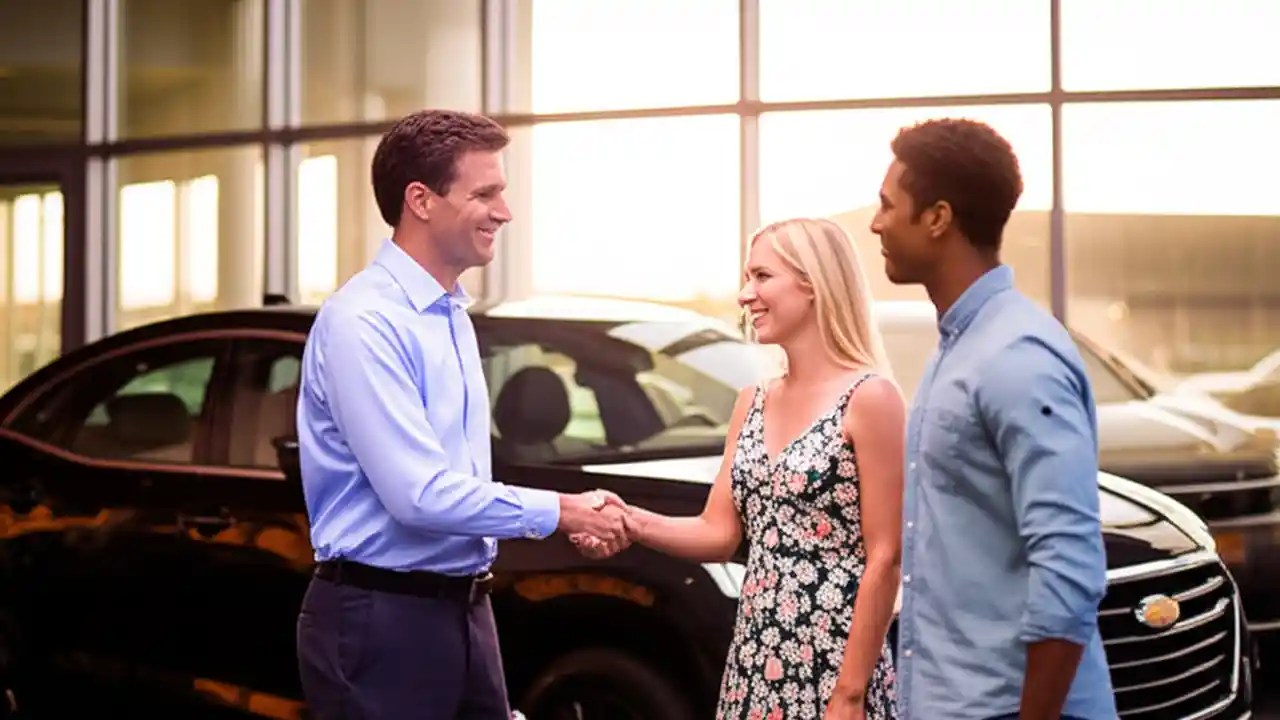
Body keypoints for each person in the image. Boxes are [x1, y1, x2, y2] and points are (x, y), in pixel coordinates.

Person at [294, 109, 630, 720]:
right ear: (420, 200)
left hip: (465, 609)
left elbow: (458, 484)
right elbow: (418, 494)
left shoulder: (449, 315)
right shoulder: (363, 322)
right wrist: (564, 511)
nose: (505, 211)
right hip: (382, 623)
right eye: (486, 193)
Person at [577, 217, 906, 720]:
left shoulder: (871, 399)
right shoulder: (751, 401)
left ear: (814, 284)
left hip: (837, 665)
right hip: (755, 660)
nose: (744, 294)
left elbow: (885, 556)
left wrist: (852, 692)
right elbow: (718, 532)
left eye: (761, 276)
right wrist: (631, 520)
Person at [870, 118, 1114, 720]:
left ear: (937, 217)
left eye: (887, 205)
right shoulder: (959, 347)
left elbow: (1069, 564)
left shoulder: (1016, 356)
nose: (876, 223)